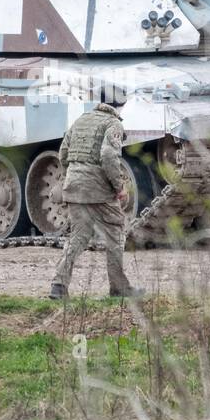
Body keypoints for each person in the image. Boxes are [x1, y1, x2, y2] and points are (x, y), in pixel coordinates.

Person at [48, 103, 142, 300]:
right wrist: (119, 187)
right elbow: (108, 155)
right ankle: (118, 288)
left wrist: (71, 178)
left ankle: (58, 285)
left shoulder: (81, 120)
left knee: (78, 238)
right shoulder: (113, 123)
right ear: (119, 107)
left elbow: (63, 153)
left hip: (74, 186)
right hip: (99, 190)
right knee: (115, 234)